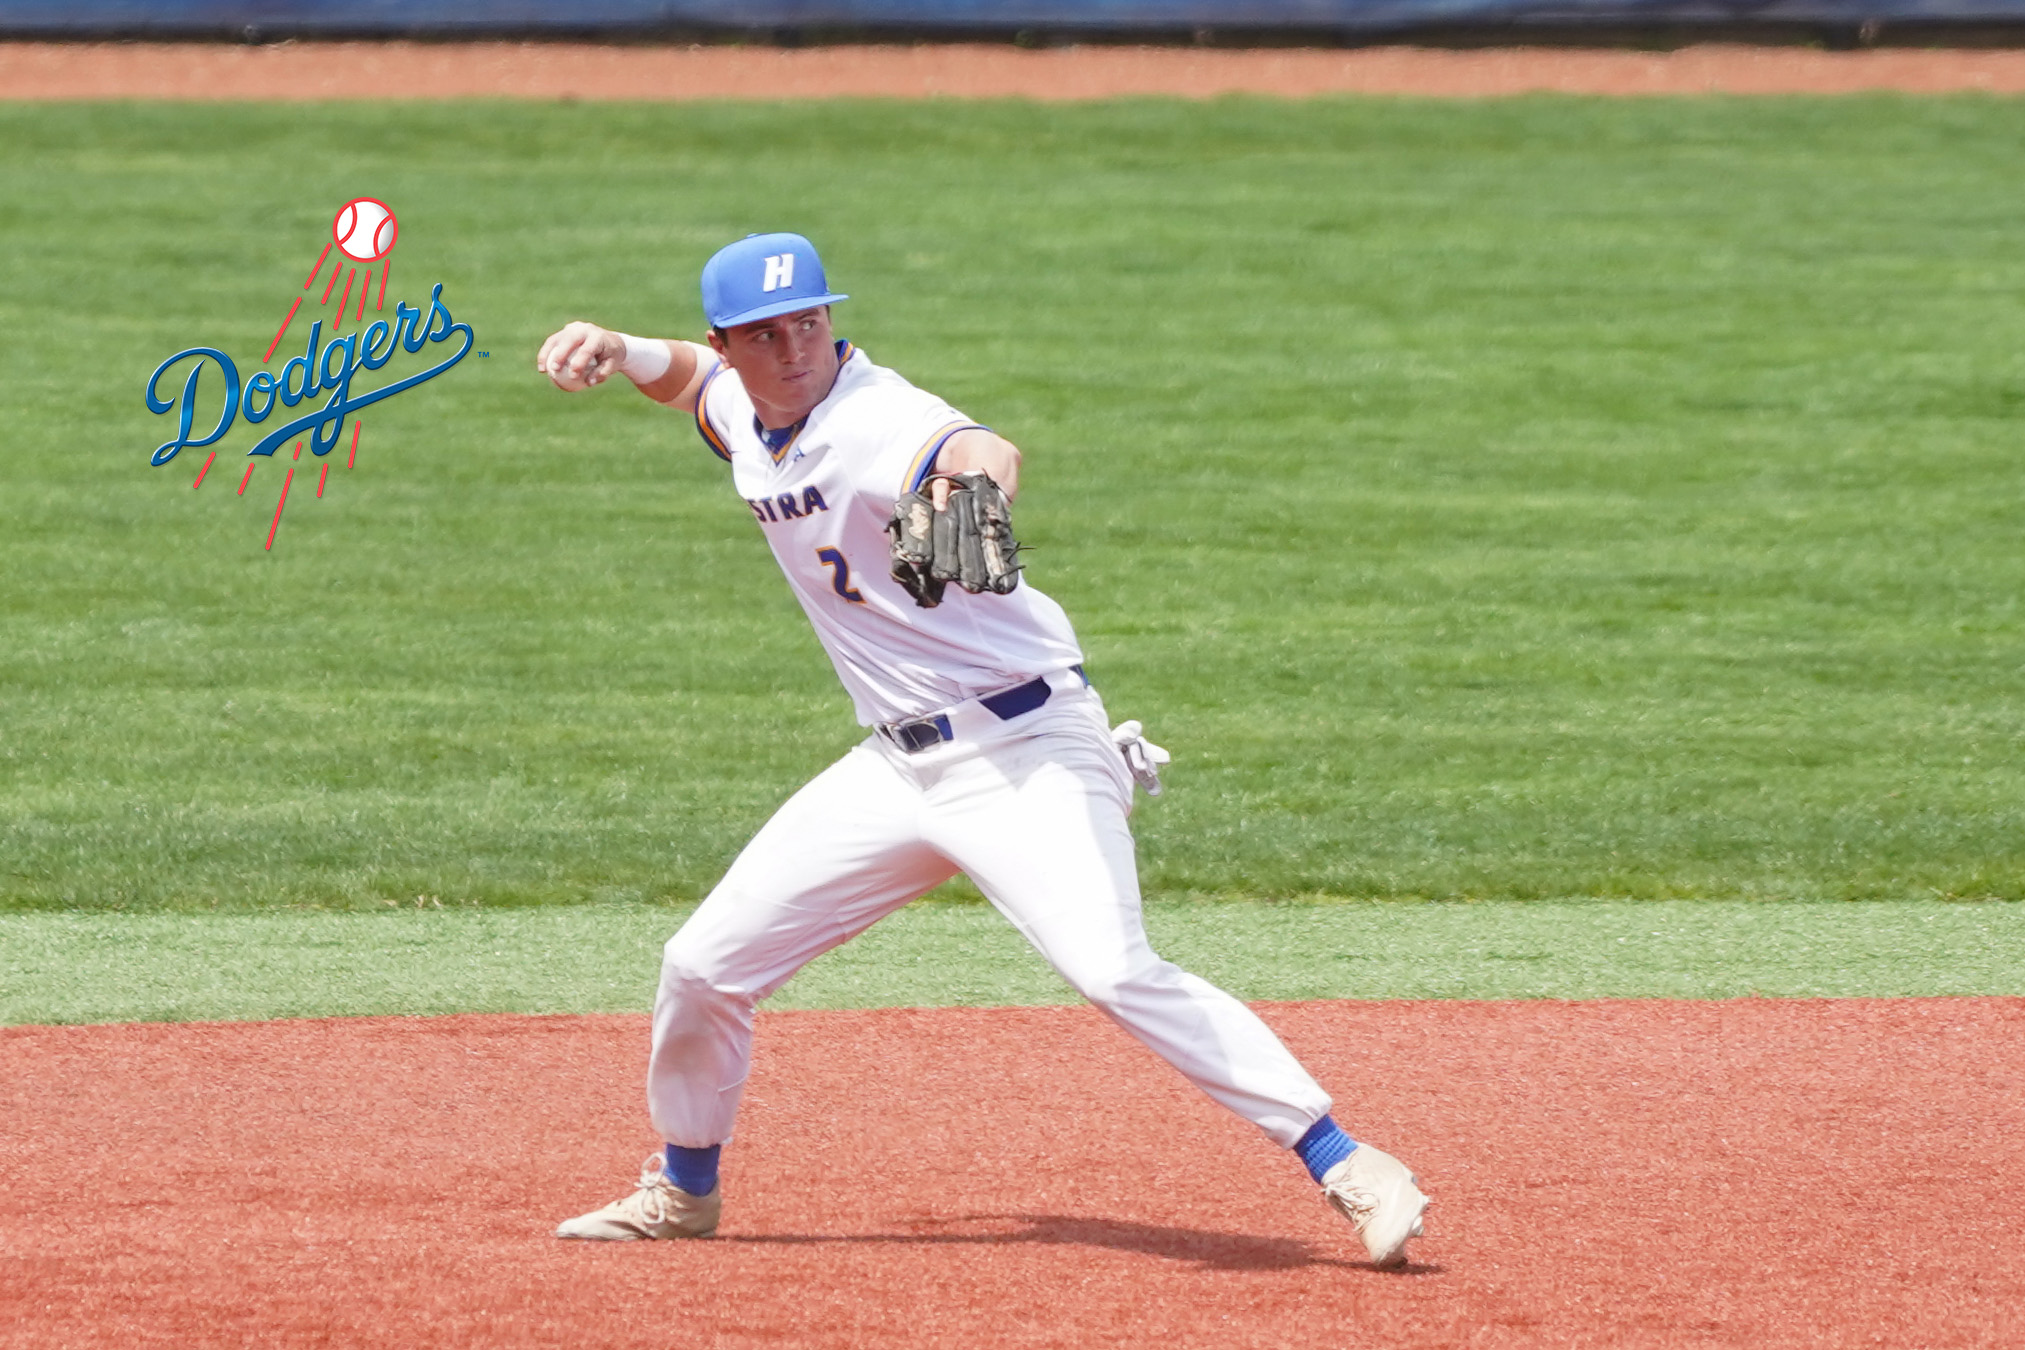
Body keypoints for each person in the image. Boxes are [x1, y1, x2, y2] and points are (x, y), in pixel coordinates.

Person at [533, 232, 1429, 1266]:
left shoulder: (880, 416)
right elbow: (691, 383)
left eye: (810, 321)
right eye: (767, 333)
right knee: (701, 966)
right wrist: (617, 345)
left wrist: (971, 497)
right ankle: (685, 1190)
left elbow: (976, 449)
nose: (795, 347)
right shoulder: (742, 400)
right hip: (895, 767)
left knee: (1111, 967)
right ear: (730, 341)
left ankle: (1350, 1163)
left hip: (1029, 748)